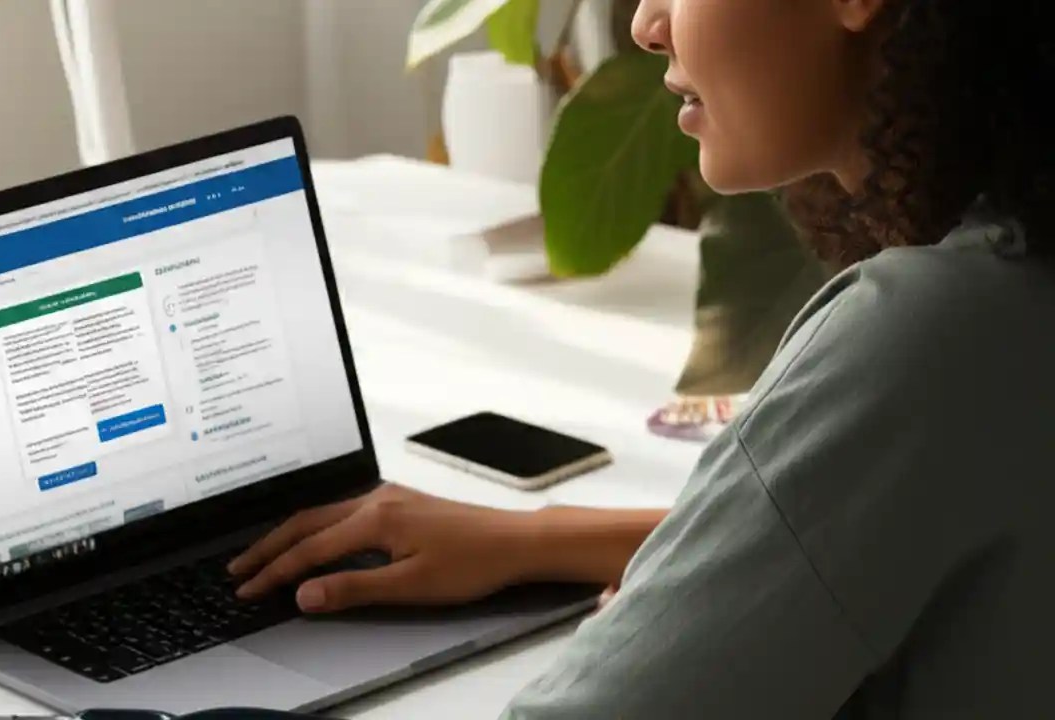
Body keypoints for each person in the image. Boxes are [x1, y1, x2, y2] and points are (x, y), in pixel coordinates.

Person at [227, 0, 1055, 717]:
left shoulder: (928, 336)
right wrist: (537, 541)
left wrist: (648, 631)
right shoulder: (1017, 274)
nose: (646, 25)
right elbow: (844, 532)